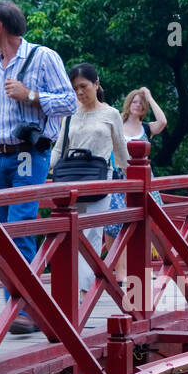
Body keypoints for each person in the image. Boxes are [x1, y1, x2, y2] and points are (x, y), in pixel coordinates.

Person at [0, 1, 76, 335]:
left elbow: (69, 101)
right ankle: (20, 302)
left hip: (28, 153)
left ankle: (26, 309)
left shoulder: (43, 56)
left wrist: (32, 96)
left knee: (19, 225)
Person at [51, 64, 128, 301]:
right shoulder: (70, 113)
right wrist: (41, 173)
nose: (79, 92)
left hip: (99, 180)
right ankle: (77, 288)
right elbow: (59, 148)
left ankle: (84, 292)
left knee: (92, 234)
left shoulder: (111, 114)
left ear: (96, 84)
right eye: (75, 88)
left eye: (83, 86)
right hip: (72, 180)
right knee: (73, 234)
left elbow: (122, 152)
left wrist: (134, 179)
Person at [106, 87, 168, 276]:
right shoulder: (117, 123)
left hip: (144, 182)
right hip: (119, 180)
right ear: (128, 103)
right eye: (135, 101)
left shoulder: (147, 128)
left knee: (147, 221)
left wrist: (149, 95)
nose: (138, 105)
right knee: (113, 225)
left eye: (141, 103)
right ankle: (120, 270)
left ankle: (142, 267)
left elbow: (163, 121)